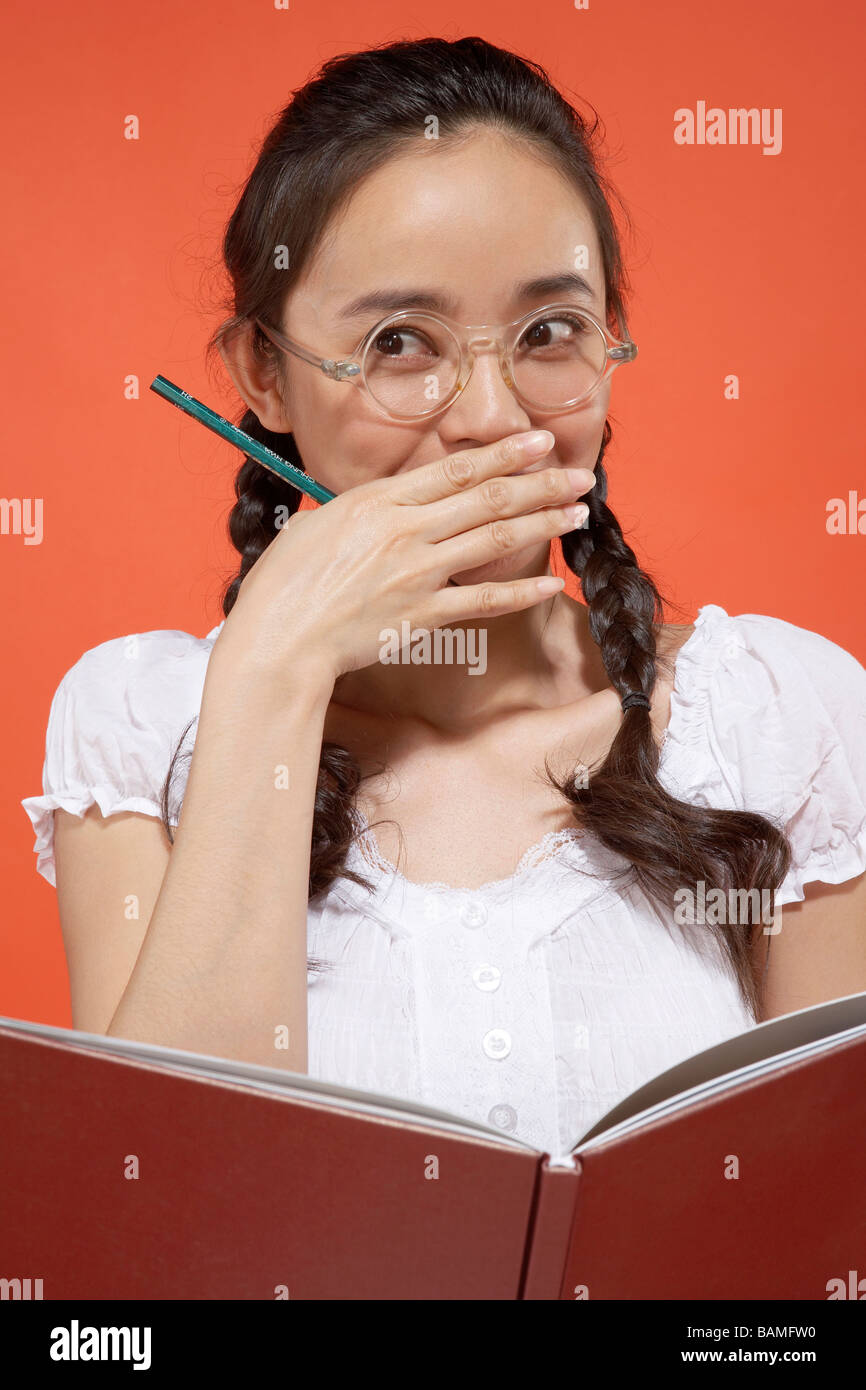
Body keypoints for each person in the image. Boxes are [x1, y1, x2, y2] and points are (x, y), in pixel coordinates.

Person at [21, 37, 866, 1156]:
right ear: (263, 376)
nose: (488, 417)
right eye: (398, 343)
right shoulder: (138, 722)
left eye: (548, 332)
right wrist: (269, 673)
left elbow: (809, 1247)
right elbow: (170, 1210)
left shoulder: (778, 715)